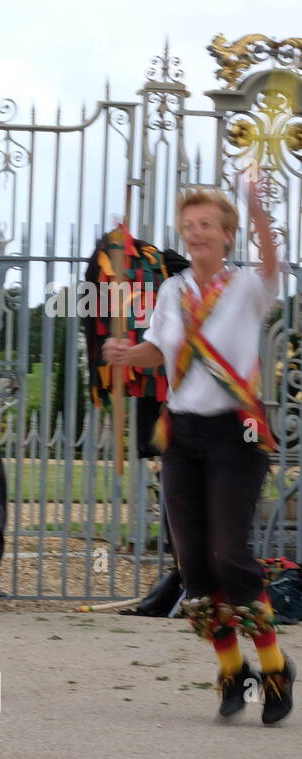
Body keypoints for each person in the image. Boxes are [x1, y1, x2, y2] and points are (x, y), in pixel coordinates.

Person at [104, 181, 293, 724]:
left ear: (227, 236)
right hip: (183, 435)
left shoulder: (248, 287)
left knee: (229, 555)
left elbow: (274, 264)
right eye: (189, 228)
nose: (196, 235)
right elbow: (154, 350)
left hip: (238, 435)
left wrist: (259, 212)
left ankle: (276, 669)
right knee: (192, 564)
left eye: (206, 226)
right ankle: (233, 673)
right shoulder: (172, 291)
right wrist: (125, 353)